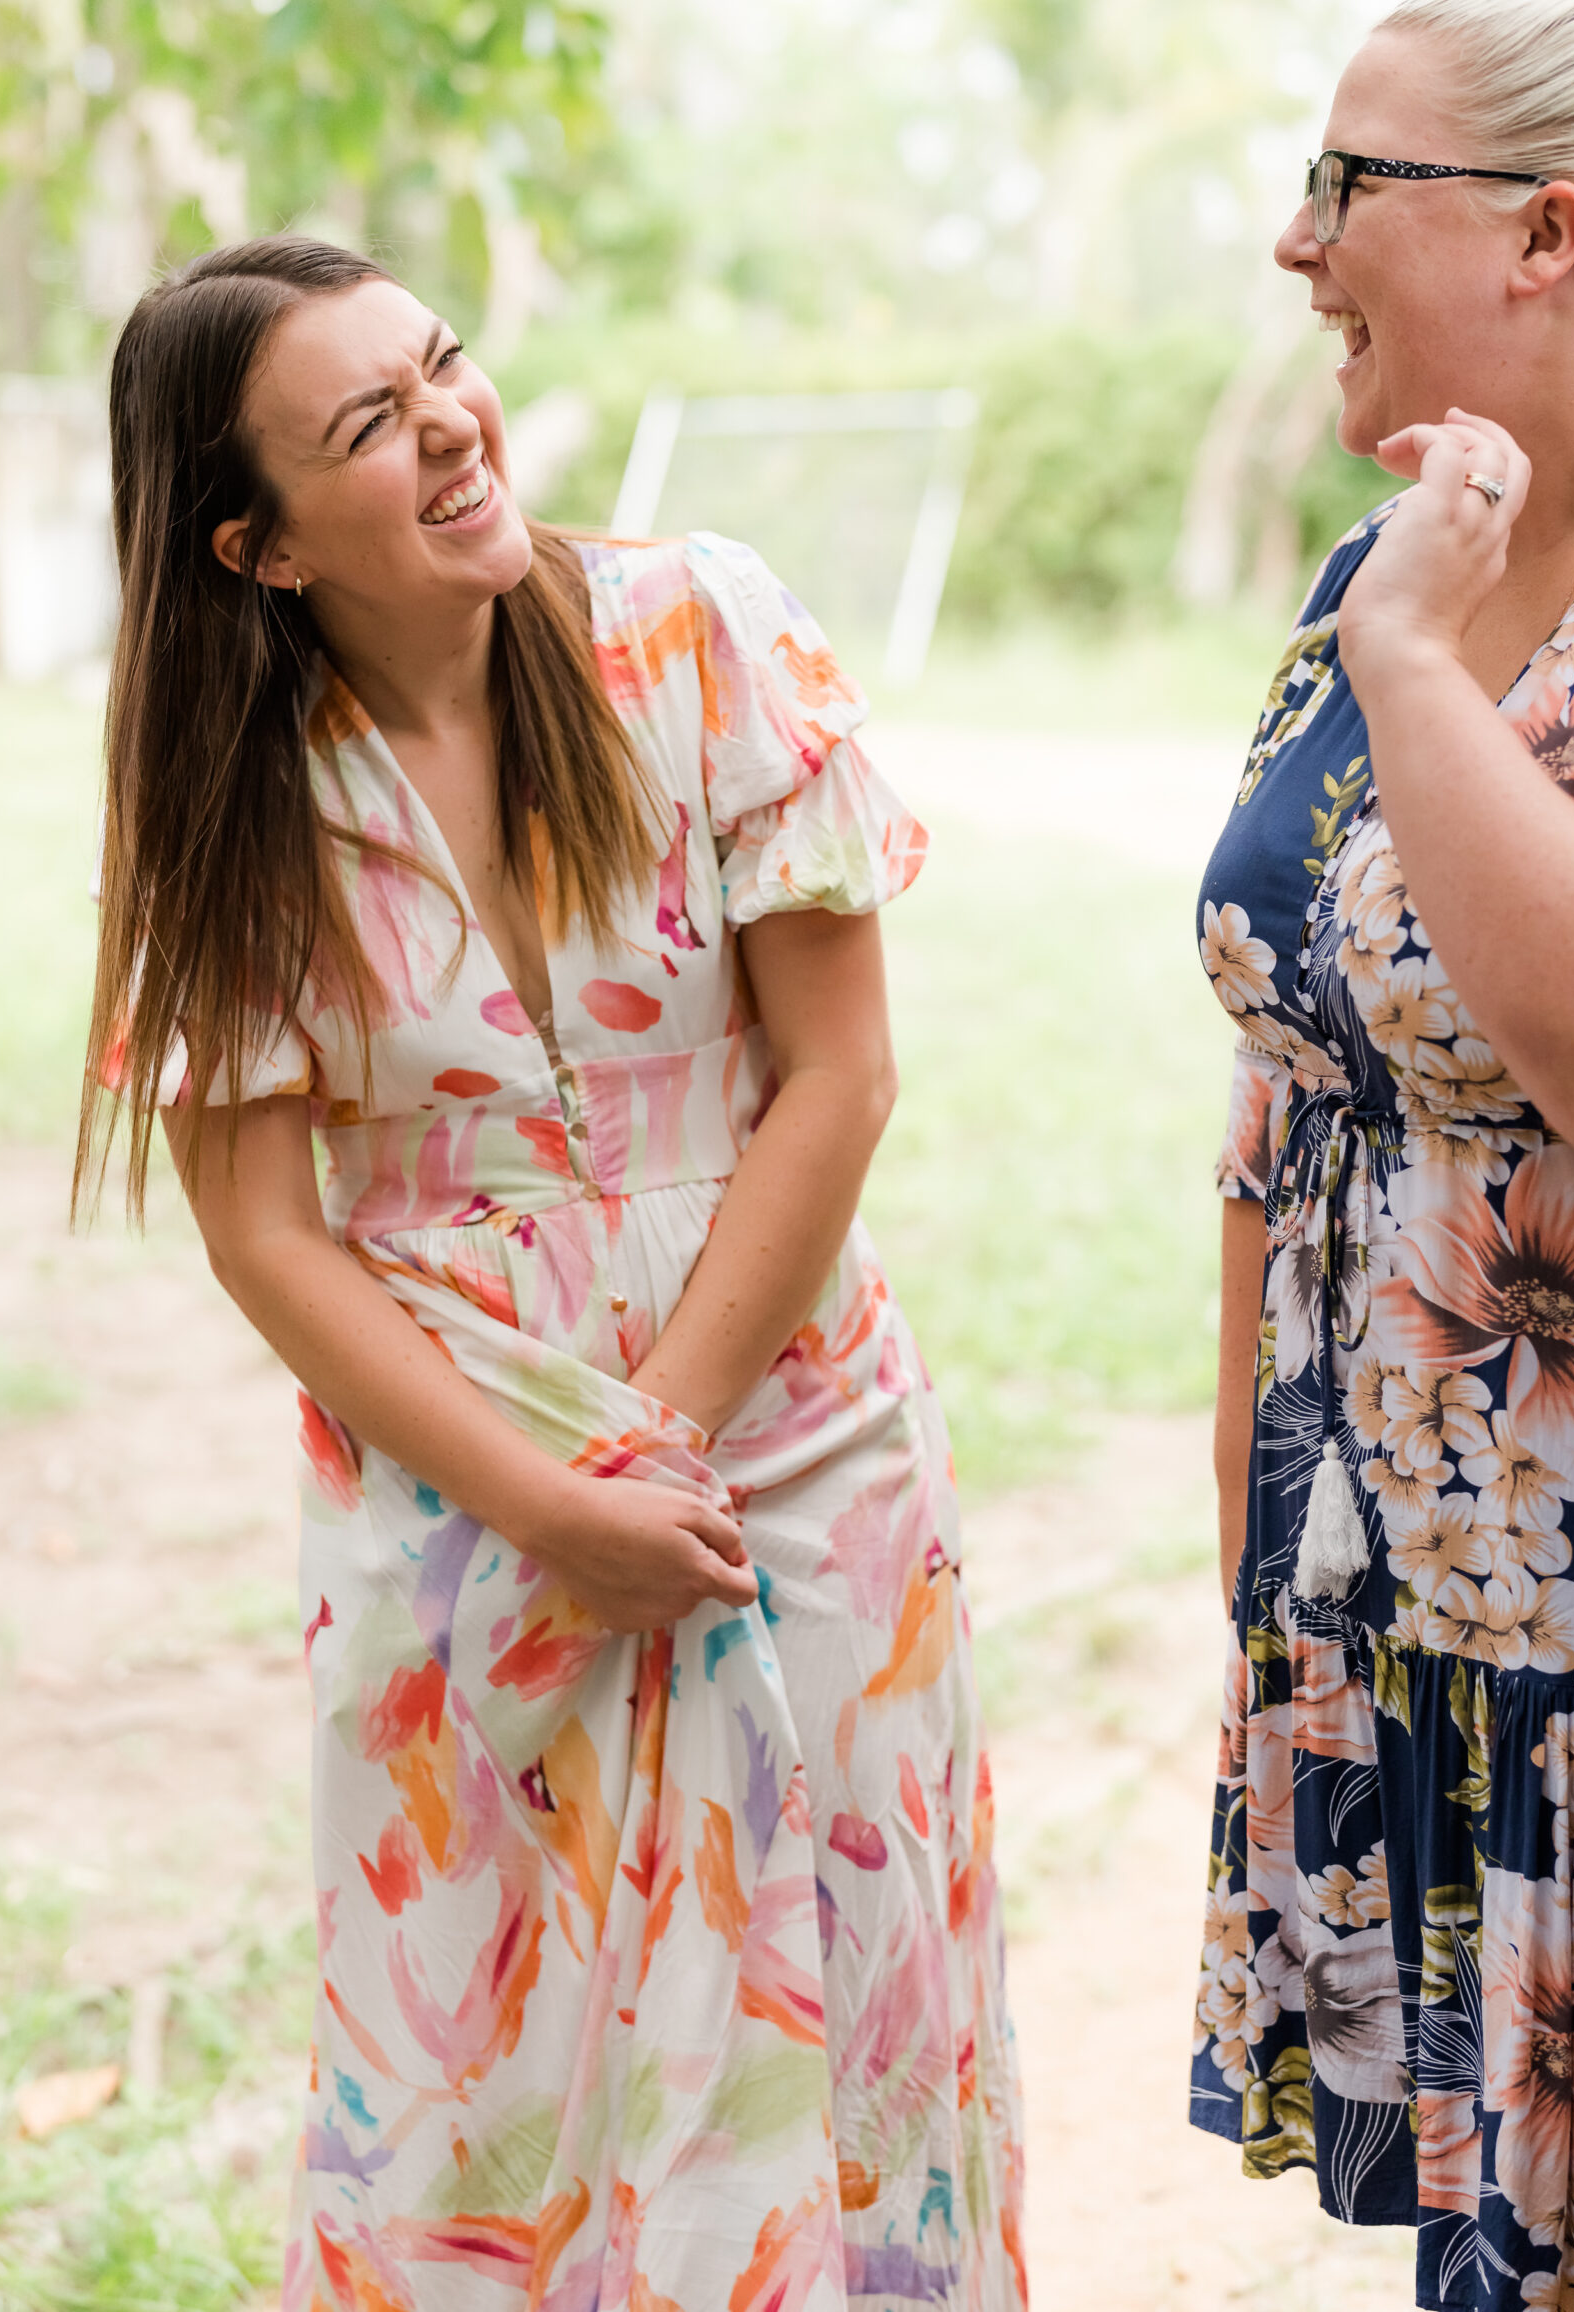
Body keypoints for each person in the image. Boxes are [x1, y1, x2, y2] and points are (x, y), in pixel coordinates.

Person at [78, 237, 1025, 2311]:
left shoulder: (699, 631)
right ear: (252, 543)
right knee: (495, 2072)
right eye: (366, 426)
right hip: (459, 1504)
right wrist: (548, 1505)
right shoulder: (230, 796)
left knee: (842, 1997)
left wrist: (648, 1460)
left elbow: (839, 1075)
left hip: (794, 1435)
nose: (447, 426)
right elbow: (260, 1227)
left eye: (440, 367)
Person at [1190, 0, 1574, 2312]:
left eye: (1347, 180)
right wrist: (1251, 1591)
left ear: (1542, 233)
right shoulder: (1391, 556)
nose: (1291, 235)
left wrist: (1413, 666)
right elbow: (1275, 1085)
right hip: (1410, 1637)